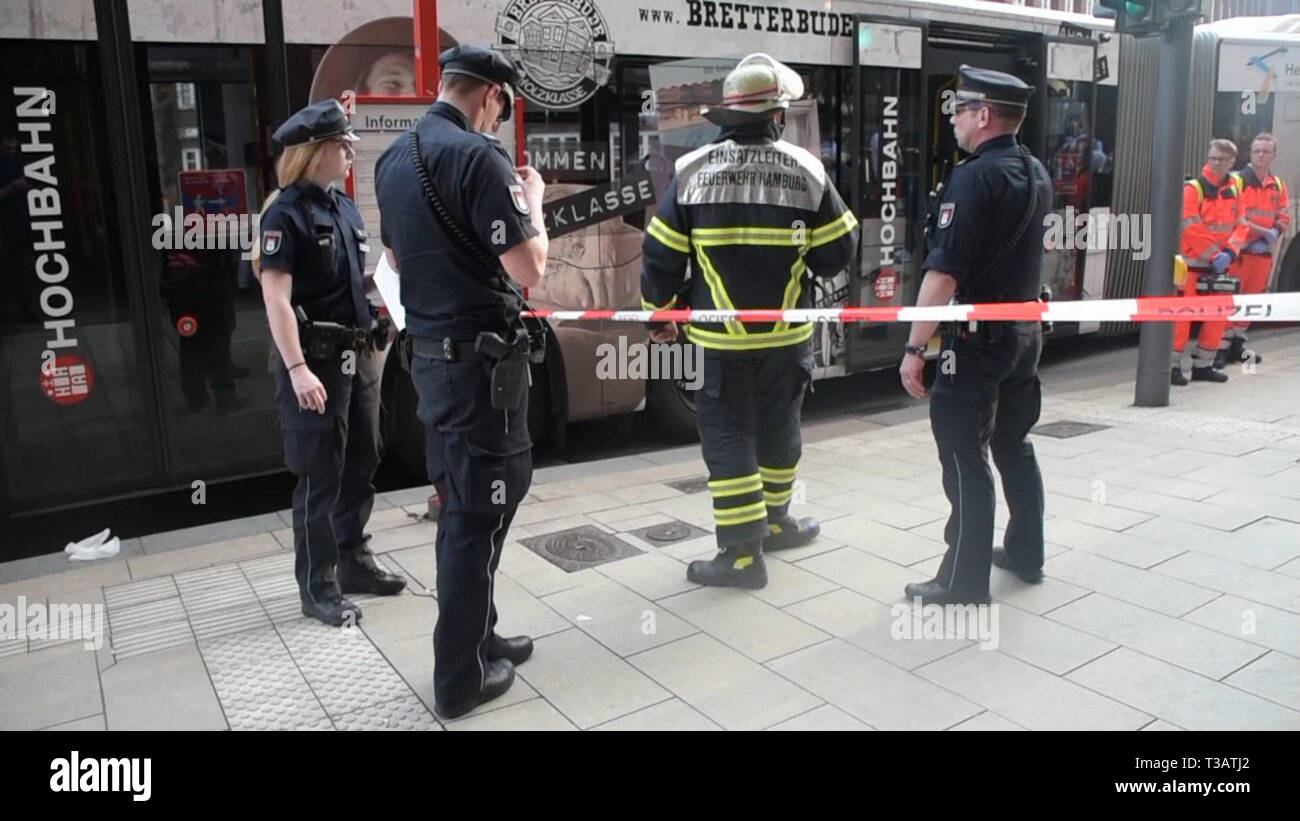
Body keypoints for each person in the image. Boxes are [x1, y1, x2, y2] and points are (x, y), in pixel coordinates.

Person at [373, 45, 549, 720]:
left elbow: (394, 252)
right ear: (491, 96)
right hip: (480, 372)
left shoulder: (395, 159)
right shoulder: (479, 158)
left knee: (466, 499)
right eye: (502, 106)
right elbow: (529, 267)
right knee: (481, 511)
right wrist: (529, 200)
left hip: (432, 365)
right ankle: (461, 676)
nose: (499, 118)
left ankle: (481, 632)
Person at [640, 53, 859, 590]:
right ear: (777, 117)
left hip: (721, 339)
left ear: (728, 116)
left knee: (728, 433)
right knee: (780, 426)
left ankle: (741, 556)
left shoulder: (692, 170)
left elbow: (660, 256)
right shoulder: (806, 169)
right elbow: (840, 252)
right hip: (788, 338)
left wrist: (660, 316)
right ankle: (778, 521)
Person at [898, 65, 1052, 606]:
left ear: (983, 114)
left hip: (977, 341)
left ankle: (961, 582)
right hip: (1024, 336)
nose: (955, 120)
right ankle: (1026, 553)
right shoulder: (1035, 171)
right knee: (1015, 445)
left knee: (964, 455)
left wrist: (916, 347)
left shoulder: (972, 177)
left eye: (960, 110)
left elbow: (943, 274)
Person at [255, 99, 407, 627]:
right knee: (320, 476)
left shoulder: (342, 207)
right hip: (313, 364)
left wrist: (384, 274)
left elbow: (347, 283)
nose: (349, 154)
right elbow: (276, 298)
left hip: (355, 356)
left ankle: (354, 563)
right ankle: (318, 587)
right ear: (317, 150)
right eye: (343, 146)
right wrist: (297, 369)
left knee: (361, 461)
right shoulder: (284, 213)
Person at [1171, 139, 1250, 385]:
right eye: (1212, 157)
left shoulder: (1234, 190)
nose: (1215, 163)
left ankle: (1203, 366)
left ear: (1231, 162)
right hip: (1191, 266)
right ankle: (1171, 367)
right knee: (1181, 318)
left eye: (1221, 159)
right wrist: (1215, 254)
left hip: (1220, 267)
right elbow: (1189, 225)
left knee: (1218, 318)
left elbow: (1242, 226)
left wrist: (1230, 251)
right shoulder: (1193, 189)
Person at [1222, 133, 1289, 368]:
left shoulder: (1278, 185)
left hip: (1261, 255)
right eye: (1256, 151)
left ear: (1274, 156)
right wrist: (1263, 232)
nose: (1260, 155)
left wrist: (1275, 232)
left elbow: (1283, 215)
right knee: (1230, 300)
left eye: (1265, 151)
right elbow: (1233, 215)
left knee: (1251, 301)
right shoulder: (1238, 182)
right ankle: (1220, 347)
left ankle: (1237, 344)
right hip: (1240, 252)